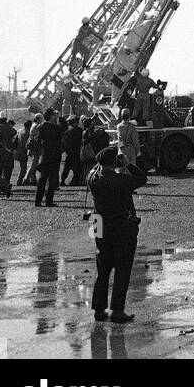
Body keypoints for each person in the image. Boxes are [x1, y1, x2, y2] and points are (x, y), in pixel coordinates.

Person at [88, 145, 148, 323]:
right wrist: (127, 164)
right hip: (119, 226)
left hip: (99, 224)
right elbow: (142, 178)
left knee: (102, 268)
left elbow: (96, 169)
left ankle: (99, 309)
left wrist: (105, 164)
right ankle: (117, 310)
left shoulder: (92, 178)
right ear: (114, 162)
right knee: (122, 269)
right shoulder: (121, 180)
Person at [35, 108, 63, 207]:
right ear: (51, 116)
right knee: (52, 179)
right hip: (54, 155)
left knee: (42, 178)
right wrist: (58, 119)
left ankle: (38, 200)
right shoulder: (56, 127)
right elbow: (62, 131)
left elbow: (38, 141)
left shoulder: (40, 127)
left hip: (45, 154)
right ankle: (49, 200)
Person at [60, 117, 82, 186]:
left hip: (69, 152)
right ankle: (75, 182)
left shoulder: (67, 131)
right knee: (76, 168)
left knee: (67, 168)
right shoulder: (76, 131)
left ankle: (63, 180)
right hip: (74, 152)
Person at [15, 118, 31, 185]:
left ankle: (20, 180)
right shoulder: (27, 132)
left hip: (18, 150)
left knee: (22, 167)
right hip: (23, 151)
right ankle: (19, 181)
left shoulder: (20, 130)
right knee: (23, 168)